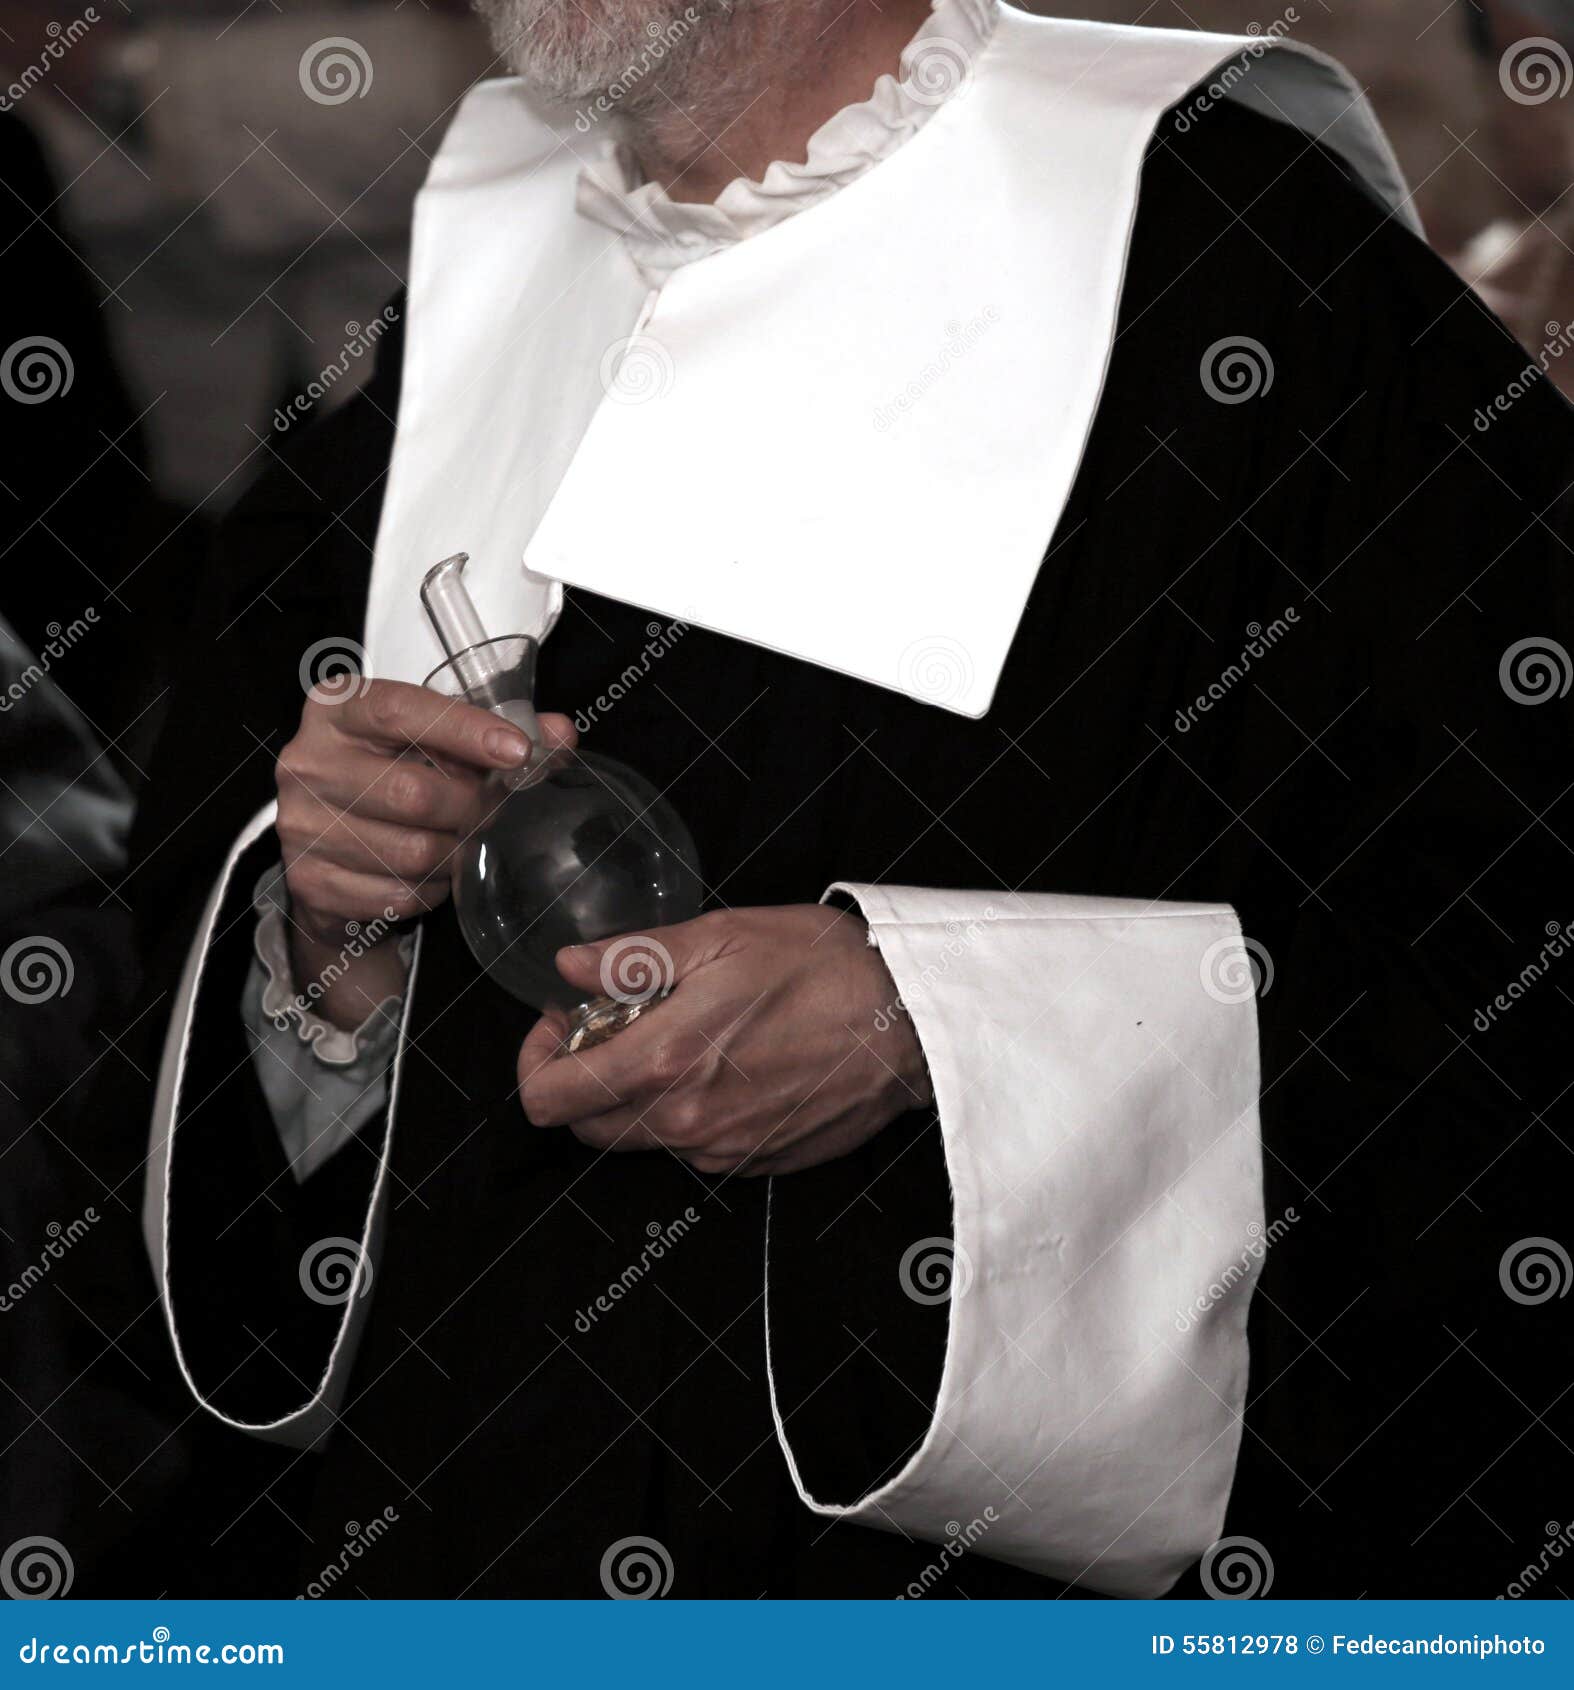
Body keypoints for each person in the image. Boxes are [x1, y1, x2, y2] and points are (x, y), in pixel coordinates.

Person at [128, 0, 1572, 1597]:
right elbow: (223, 917)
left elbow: (1499, 964)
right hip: (473, 1528)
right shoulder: (480, 271)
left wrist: (941, 1035)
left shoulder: (1259, 286)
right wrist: (330, 948)